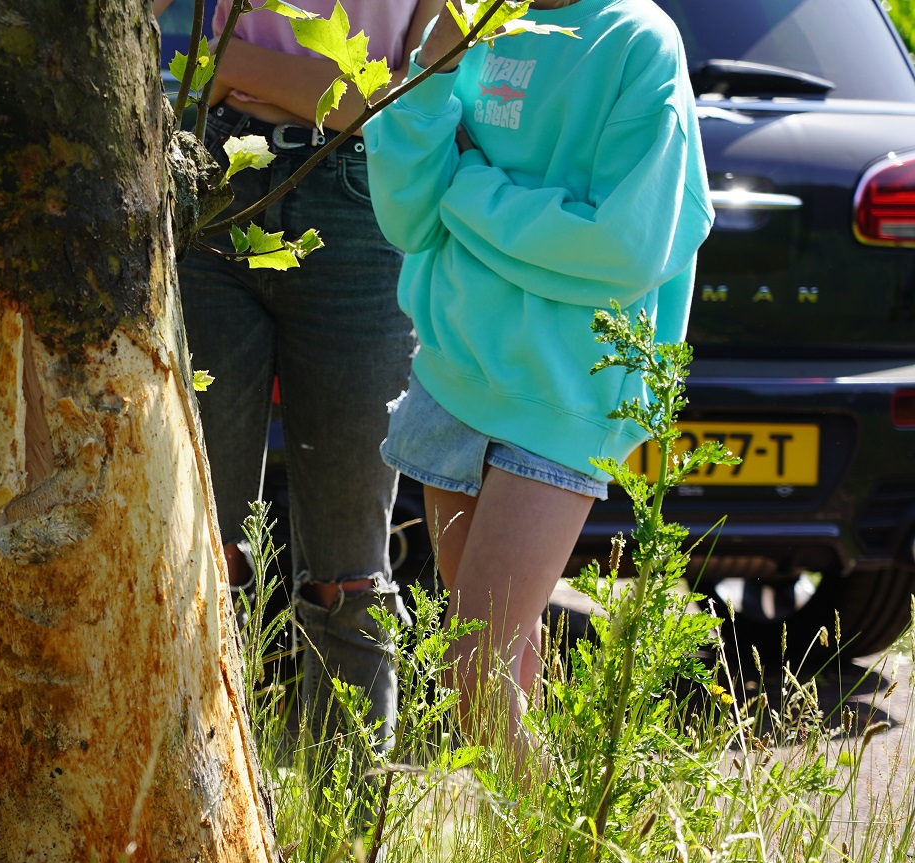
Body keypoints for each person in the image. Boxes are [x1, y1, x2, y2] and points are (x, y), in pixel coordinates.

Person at [365, 0, 713, 750]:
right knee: (493, 686)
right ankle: (536, 859)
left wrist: (468, 188)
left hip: (564, 394)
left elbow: (622, 247)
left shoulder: (637, 41)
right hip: (457, 375)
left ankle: (565, 861)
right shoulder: (472, 22)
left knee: (475, 671)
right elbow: (407, 217)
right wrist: (437, 67)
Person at [164, 0, 447, 745]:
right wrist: (312, 84)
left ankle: (348, 849)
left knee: (352, 571)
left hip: (362, 199)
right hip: (214, 178)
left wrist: (230, 66)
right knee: (197, 545)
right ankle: (187, 827)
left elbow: (393, 92)